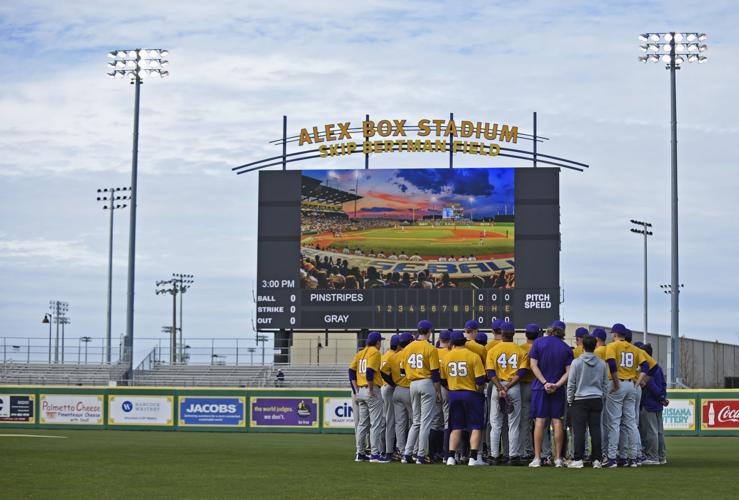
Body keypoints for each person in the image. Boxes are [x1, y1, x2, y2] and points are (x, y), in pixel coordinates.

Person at [603, 323, 653, 468]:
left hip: (617, 384)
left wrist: (617, 382)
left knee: (614, 423)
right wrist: (637, 383)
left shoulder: (612, 346)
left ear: (615, 334)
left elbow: (612, 363)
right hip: (631, 385)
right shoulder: (635, 349)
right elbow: (646, 366)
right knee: (631, 423)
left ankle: (612, 458)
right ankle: (633, 457)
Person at [528, 320, 573, 468]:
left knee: (540, 422)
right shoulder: (566, 348)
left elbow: (533, 365)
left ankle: (537, 458)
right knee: (557, 421)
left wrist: (544, 382)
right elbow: (569, 372)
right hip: (557, 389)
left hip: (540, 388)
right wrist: (557, 384)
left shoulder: (539, 343)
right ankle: (558, 458)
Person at [442, 330, 487, 466]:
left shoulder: (447, 357)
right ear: (464, 341)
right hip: (471, 393)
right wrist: (478, 390)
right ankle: (473, 458)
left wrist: (452, 387)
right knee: (475, 426)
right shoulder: (473, 356)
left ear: (452, 342)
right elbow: (480, 380)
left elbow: (443, 380)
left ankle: (450, 457)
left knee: (456, 427)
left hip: (454, 394)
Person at [486, 321, 529, 465]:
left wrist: (499, 387)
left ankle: (494, 456)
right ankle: (513, 456)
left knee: (496, 424)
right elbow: (522, 372)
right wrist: (508, 386)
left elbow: (490, 372)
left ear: (502, 333)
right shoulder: (520, 350)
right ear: (514, 334)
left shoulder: (493, 350)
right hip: (513, 387)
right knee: (513, 424)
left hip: (497, 387)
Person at [401, 320, 442, 464]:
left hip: (412, 383)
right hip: (426, 382)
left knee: (416, 421)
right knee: (425, 421)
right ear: (429, 331)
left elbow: (402, 370)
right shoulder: (430, 348)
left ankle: (407, 453)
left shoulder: (408, 347)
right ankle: (420, 455)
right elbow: (435, 373)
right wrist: (438, 391)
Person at [566, 335, 608, 469]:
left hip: (580, 399)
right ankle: (597, 459)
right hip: (596, 398)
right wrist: (602, 396)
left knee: (579, 431)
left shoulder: (576, 362)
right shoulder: (601, 363)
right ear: (595, 346)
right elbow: (605, 384)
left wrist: (569, 400)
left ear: (582, 346)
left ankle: (578, 459)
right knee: (596, 430)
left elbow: (571, 383)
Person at [349, 331, 389, 463]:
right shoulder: (375, 352)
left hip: (360, 391)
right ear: (377, 342)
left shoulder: (360, 353)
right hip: (370, 390)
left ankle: (360, 453)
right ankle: (375, 454)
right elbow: (370, 371)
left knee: (362, 424)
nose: (380, 343)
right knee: (376, 424)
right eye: (380, 341)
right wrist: (371, 389)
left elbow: (351, 371)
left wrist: (355, 389)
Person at [637, 343, 668, 465]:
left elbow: (652, 386)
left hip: (649, 403)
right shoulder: (657, 367)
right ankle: (661, 456)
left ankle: (653, 456)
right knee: (658, 431)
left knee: (651, 431)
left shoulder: (648, 369)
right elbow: (663, 386)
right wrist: (662, 397)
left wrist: (660, 397)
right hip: (657, 403)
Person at [385, 332, 414, 461]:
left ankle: (401, 450)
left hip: (397, 390)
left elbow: (383, 371)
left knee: (400, 423)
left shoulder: (393, 357)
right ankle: (412, 450)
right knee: (415, 422)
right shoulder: (410, 354)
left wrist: (393, 382)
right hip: (409, 389)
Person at [519, 323, 539, 460]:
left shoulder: (520, 349)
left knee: (525, 420)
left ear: (526, 334)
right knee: (540, 420)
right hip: (538, 385)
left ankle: (527, 451)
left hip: (524, 385)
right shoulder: (540, 348)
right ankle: (543, 452)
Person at [431, 330, 452, 462]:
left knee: (435, 421)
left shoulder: (433, 351)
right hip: (446, 387)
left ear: (439, 339)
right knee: (447, 420)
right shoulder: (450, 353)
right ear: (450, 340)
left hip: (432, 387)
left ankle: (433, 452)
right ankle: (445, 454)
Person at [380, 335, 401, 460]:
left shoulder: (385, 355)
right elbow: (384, 373)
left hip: (383, 389)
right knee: (390, 421)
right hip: (388, 389)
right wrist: (393, 383)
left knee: (386, 421)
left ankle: (383, 449)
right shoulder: (392, 356)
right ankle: (388, 450)